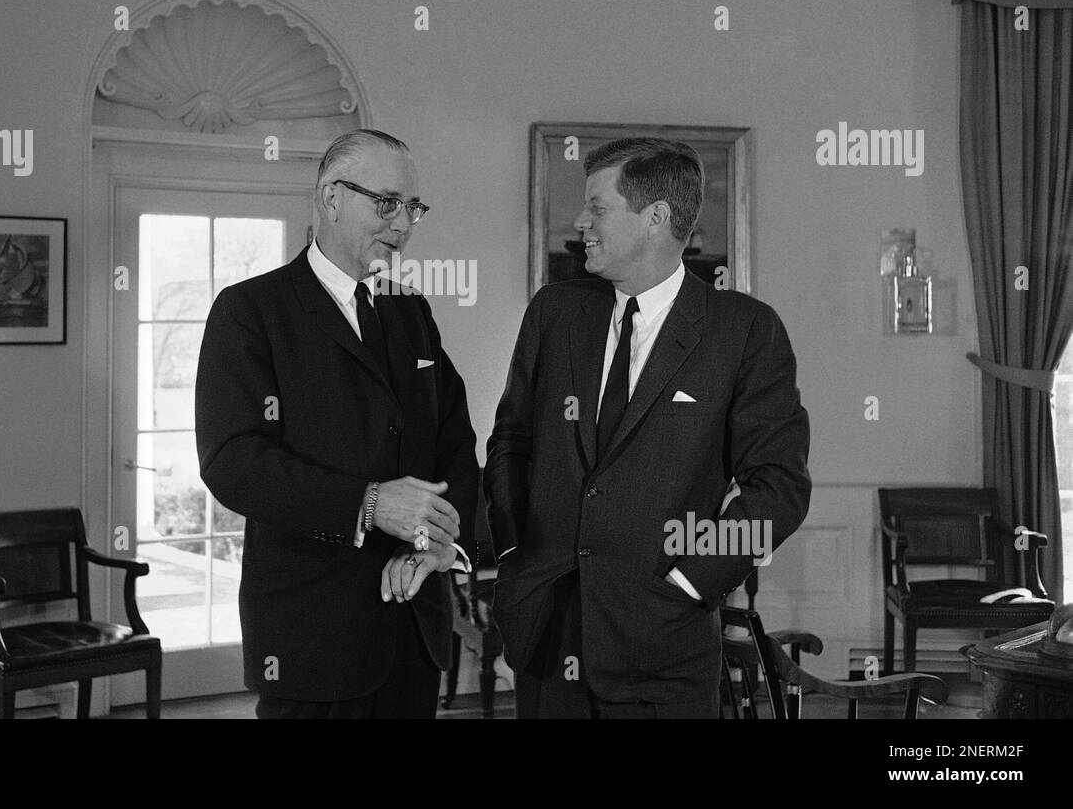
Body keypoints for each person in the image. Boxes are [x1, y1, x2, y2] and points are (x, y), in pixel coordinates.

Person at [485, 137, 811, 718]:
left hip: (665, 652)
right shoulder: (554, 312)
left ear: (656, 216)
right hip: (545, 638)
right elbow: (511, 442)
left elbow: (779, 490)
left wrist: (691, 583)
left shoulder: (744, 330)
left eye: (598, 208)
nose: (581, 222)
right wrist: (513, 551)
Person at [195, 128, 479, 718]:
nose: (402, 224)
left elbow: (454, 437)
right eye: (387, 203)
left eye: (413, 207)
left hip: (416, 632)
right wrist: (369, 503)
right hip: (311, 641)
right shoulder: (249, 312)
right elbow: (233, 462)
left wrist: (436, 542)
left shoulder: (411, 310)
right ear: (330, 198)